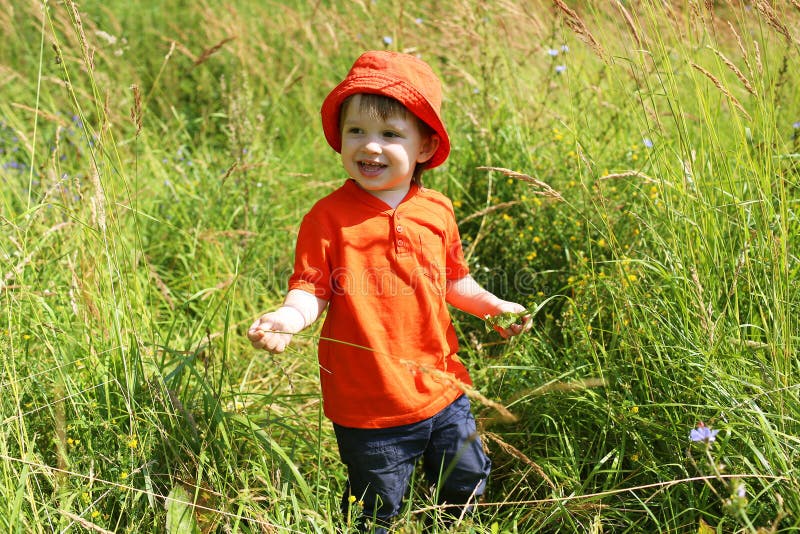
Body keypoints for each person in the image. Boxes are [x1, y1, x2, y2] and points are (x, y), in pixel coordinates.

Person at [248, 50, 529, 532]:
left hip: (443, 388)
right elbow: (311, 291)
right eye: (356, 131)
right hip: (368, 402)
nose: (370, 146)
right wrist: (285, 320)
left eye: (390, 134)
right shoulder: (328, 217)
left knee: (465, 481)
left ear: (424, 147)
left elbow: (454, 282)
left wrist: (492, 306)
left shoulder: (437, 211)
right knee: (375, 506)